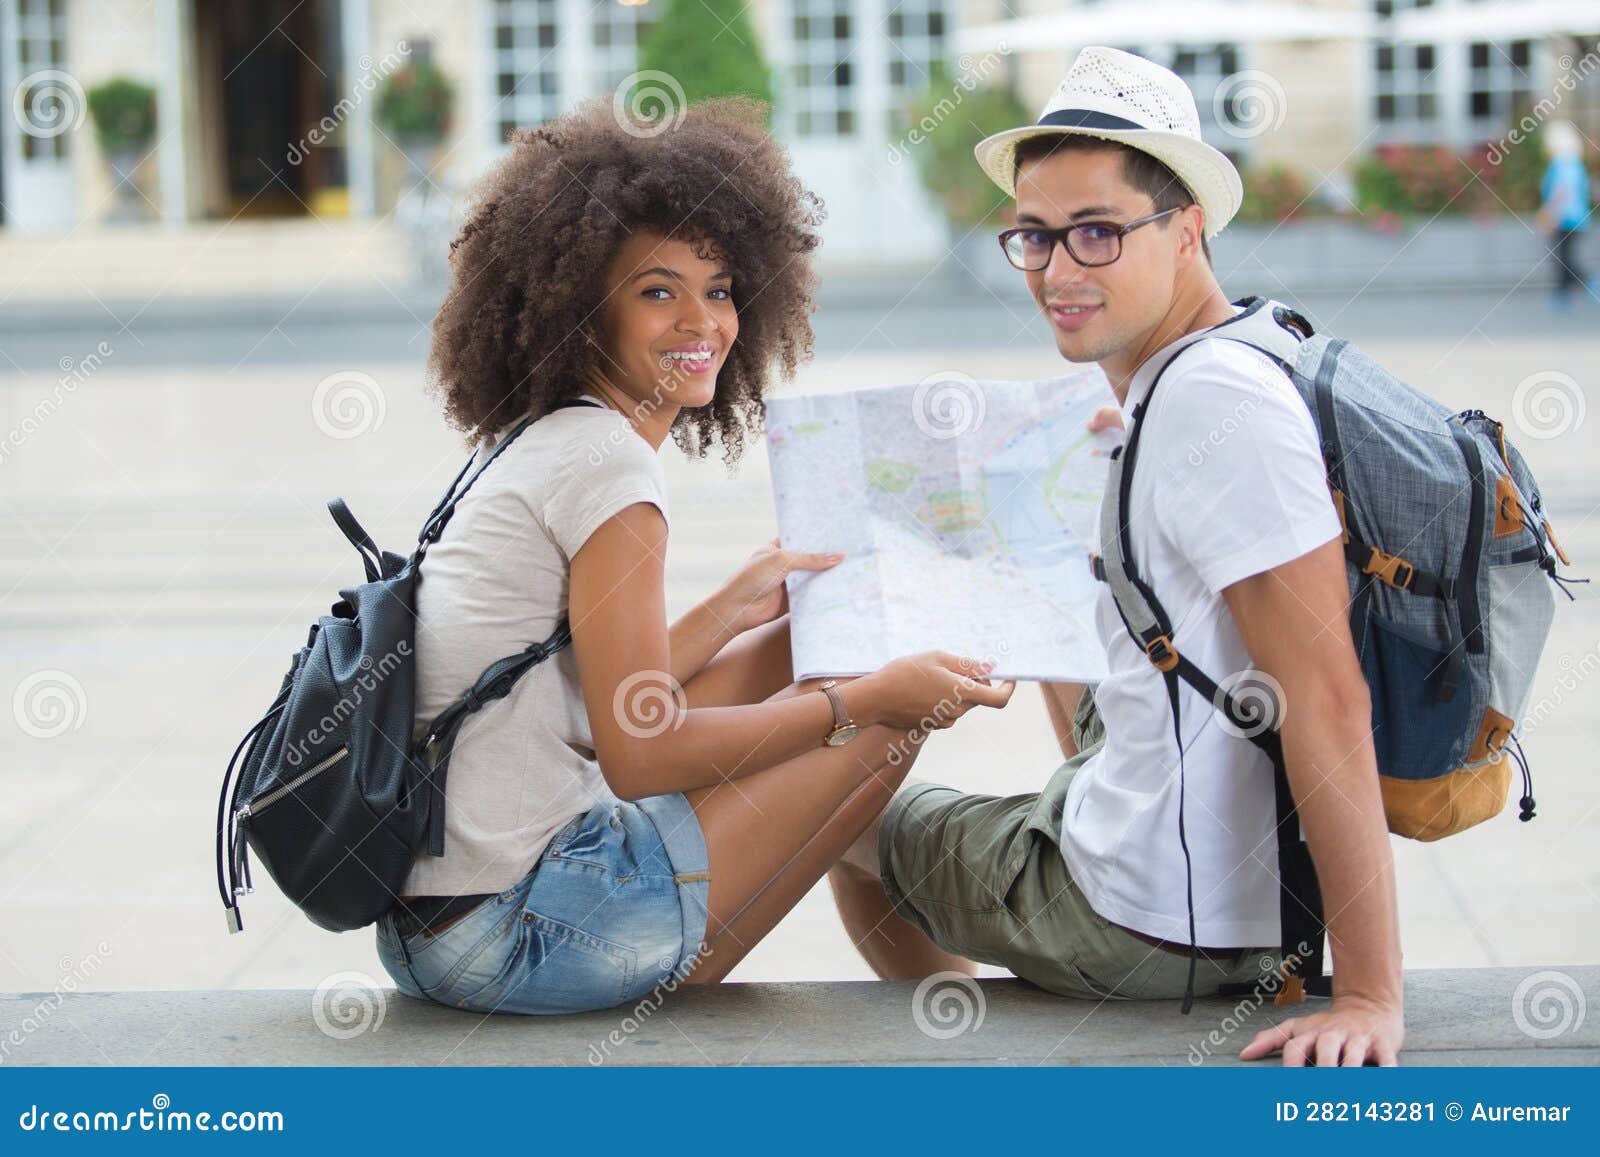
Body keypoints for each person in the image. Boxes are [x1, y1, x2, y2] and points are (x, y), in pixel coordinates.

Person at [828, 47, 1405, 1067]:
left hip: (1153, 916)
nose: (1058, 271)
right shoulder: (1240, 353)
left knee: (836, 809)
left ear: (1186, 229)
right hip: (1213, 887)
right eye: (1035, 236)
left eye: (1098, 232)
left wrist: (1367, 993)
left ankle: (959, 1061)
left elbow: (1326, 695)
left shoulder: (1211, 399)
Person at [375, 98, 1014, 1015]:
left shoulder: (544, 439)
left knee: (823, 643)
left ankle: (946, 1008)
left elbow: (586, 697)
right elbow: (639, 754)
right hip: (524, 934)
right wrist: (863, 704)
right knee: (875, 716)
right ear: (581, 309)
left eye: (719, 291)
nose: (701, 322)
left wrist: (733, 610)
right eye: (657, 291)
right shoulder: (610, 466)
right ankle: (958, 1022)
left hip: (432, 930)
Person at [1537, 120, 1596, 312]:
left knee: (1563, 259)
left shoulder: (1560, 164)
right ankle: (1565, 293)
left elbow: (1560, 192)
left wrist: (1549, 214)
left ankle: (1571, 291)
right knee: (1566, 257)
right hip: (1578, 218)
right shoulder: (1576, 164)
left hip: (1564, 219)